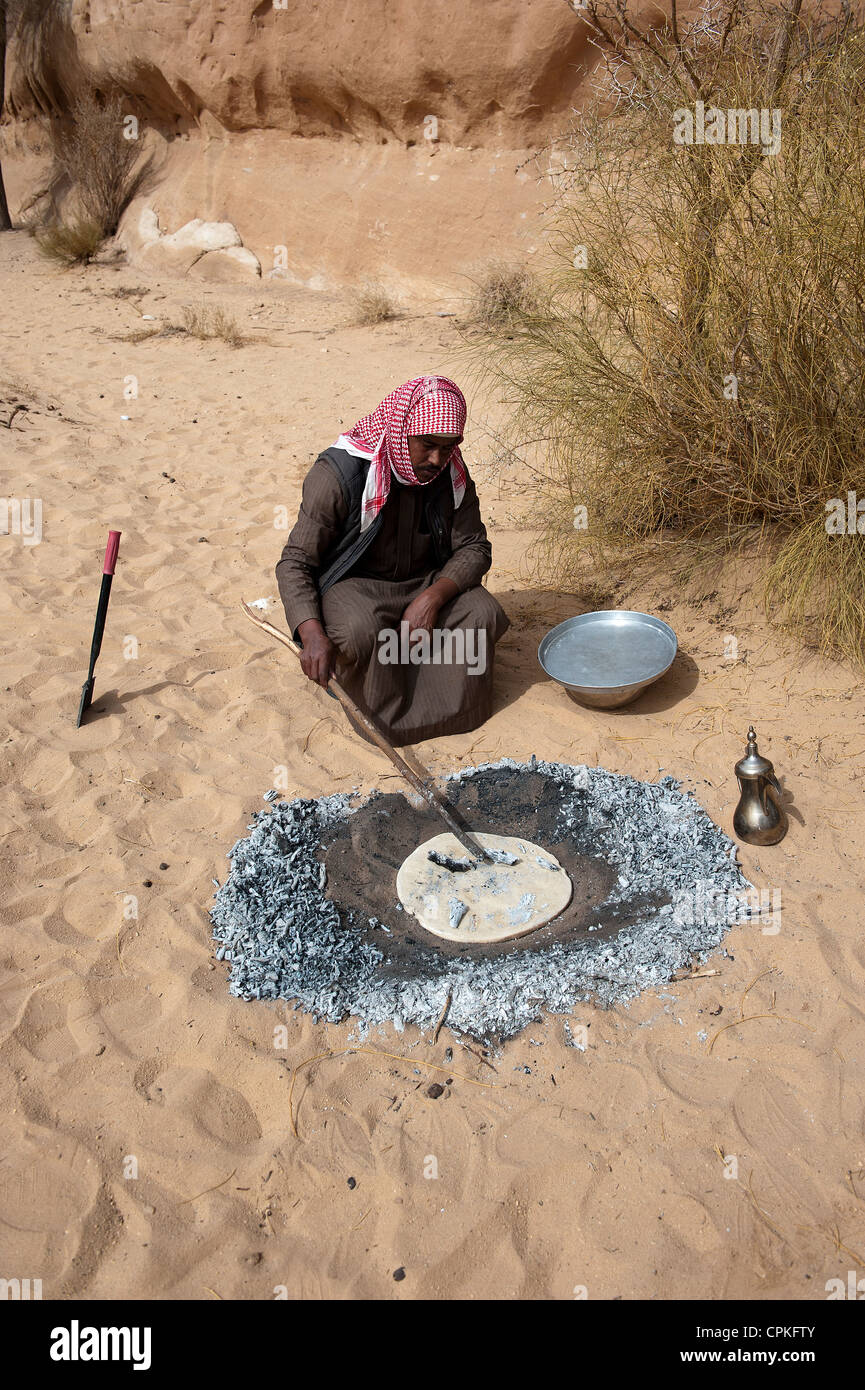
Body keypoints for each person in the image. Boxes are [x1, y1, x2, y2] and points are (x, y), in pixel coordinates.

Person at [275, 374, 509, 746]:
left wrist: (430, 599)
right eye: (428, 445)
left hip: (425, 580)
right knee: (359, 632)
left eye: (448, 448)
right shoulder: (339, 475)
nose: (437, 459)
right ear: (404, 431)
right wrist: (312, 635)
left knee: (482, 614)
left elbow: (474, 547)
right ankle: (375, 710)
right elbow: (296, 562)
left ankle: (459, 710)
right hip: (355, 587)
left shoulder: (451, 473)